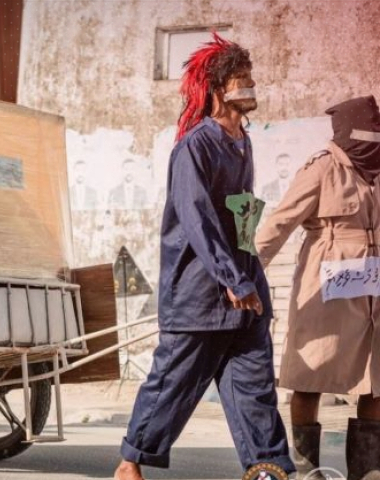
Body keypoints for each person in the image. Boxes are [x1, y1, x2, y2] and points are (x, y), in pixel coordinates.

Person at [114, 33, 293, 480]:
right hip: (198, 295)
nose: (250, 86)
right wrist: (234, 278)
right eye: (241, 79)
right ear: (217, 88)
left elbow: (241, 217)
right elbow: (198, 221)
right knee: (173, 385)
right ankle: (129, 463)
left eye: (251, 78)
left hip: (243, 295)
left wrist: (253, 281)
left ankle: (268, 468)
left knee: (254, 388)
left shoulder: (242, 143)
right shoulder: (195, 146)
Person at [256, 95, 380, 480]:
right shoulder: (322, 168)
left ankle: (368, 471)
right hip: (328, 288)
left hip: (373, 292)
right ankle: (305, 468)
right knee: (312, 377)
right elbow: (279, 224)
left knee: (375, 383)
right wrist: (242, 275)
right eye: (369, 136)